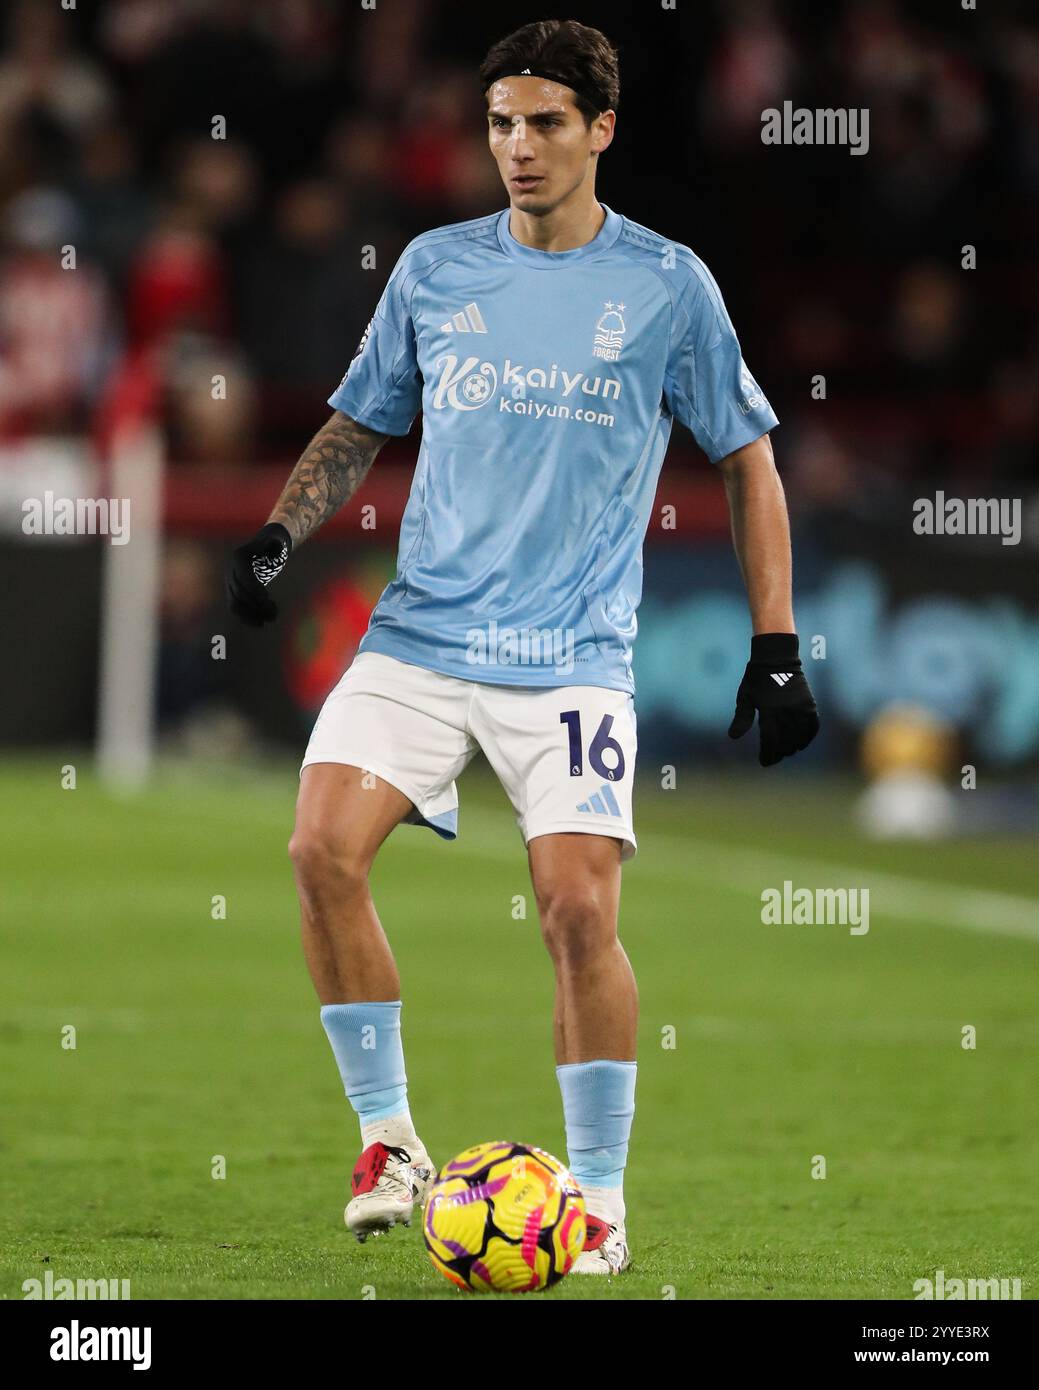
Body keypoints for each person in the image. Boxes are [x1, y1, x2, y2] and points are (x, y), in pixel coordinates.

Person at [228, 18, 819, 1276]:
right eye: (501, 123)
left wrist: (776, 641)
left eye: (546, 123)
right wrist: (280, 537)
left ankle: (596, 1199)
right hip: (422, 635)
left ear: (601, 130)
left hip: (570, 658)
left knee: (572, 913)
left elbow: (750, 459)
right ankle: (390, 1141)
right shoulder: (438, 270)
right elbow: (353, 424)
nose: (518, 147)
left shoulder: (667, 285)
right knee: (318, 850)